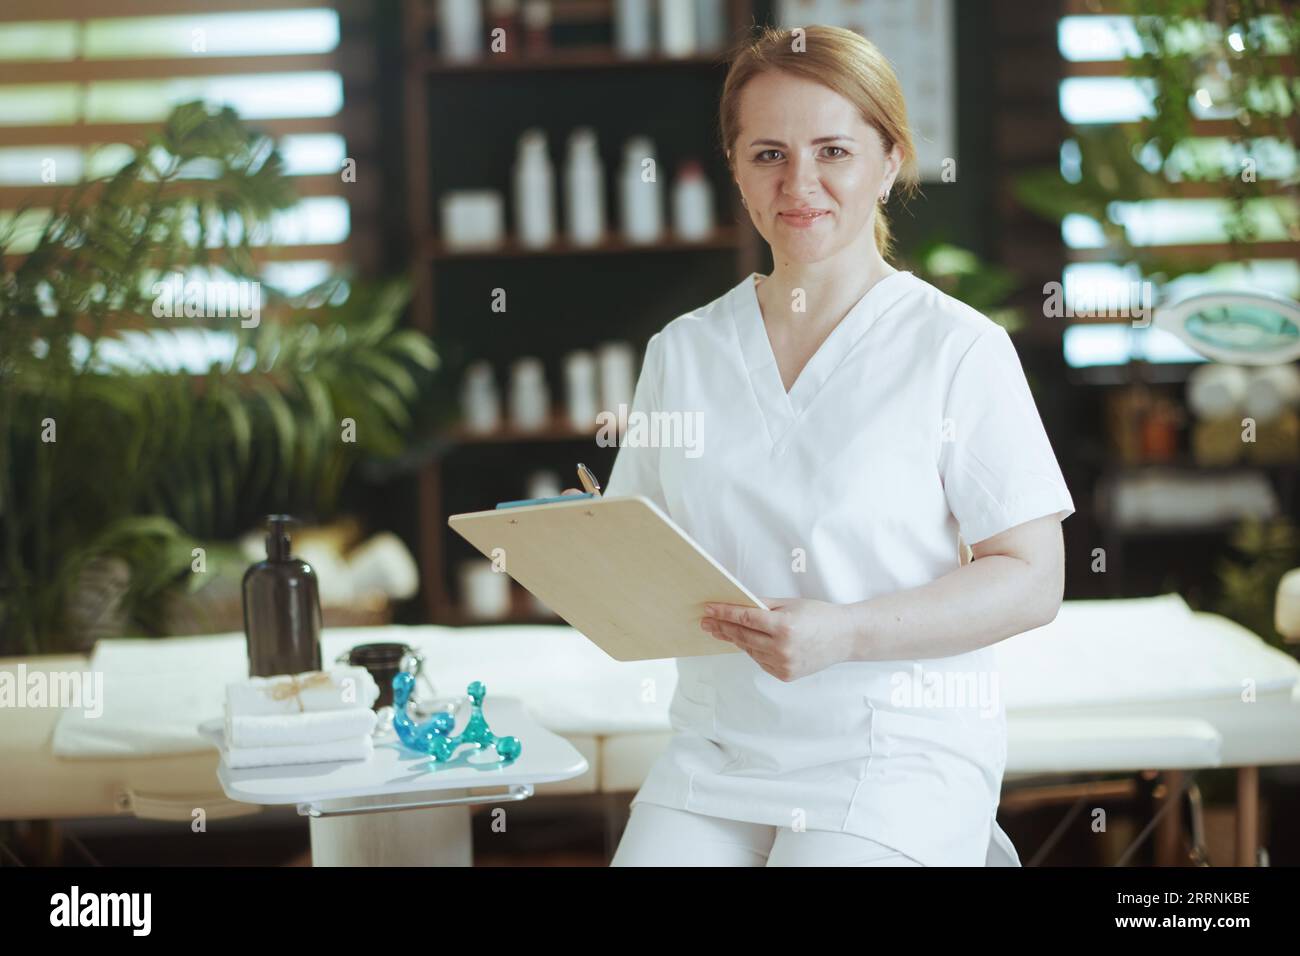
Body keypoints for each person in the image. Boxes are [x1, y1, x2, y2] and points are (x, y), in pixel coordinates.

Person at [593, 25, 1075, 866]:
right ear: (736, 167)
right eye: (769, 154)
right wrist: (583, 551)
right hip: (719, 751)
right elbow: (642, 549)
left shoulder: (956, 349)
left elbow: (1033, 578)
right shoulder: (684, 351)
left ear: (890, 162)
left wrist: (845, 632)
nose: (800, 183)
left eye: (833, 151)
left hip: (893, 750)